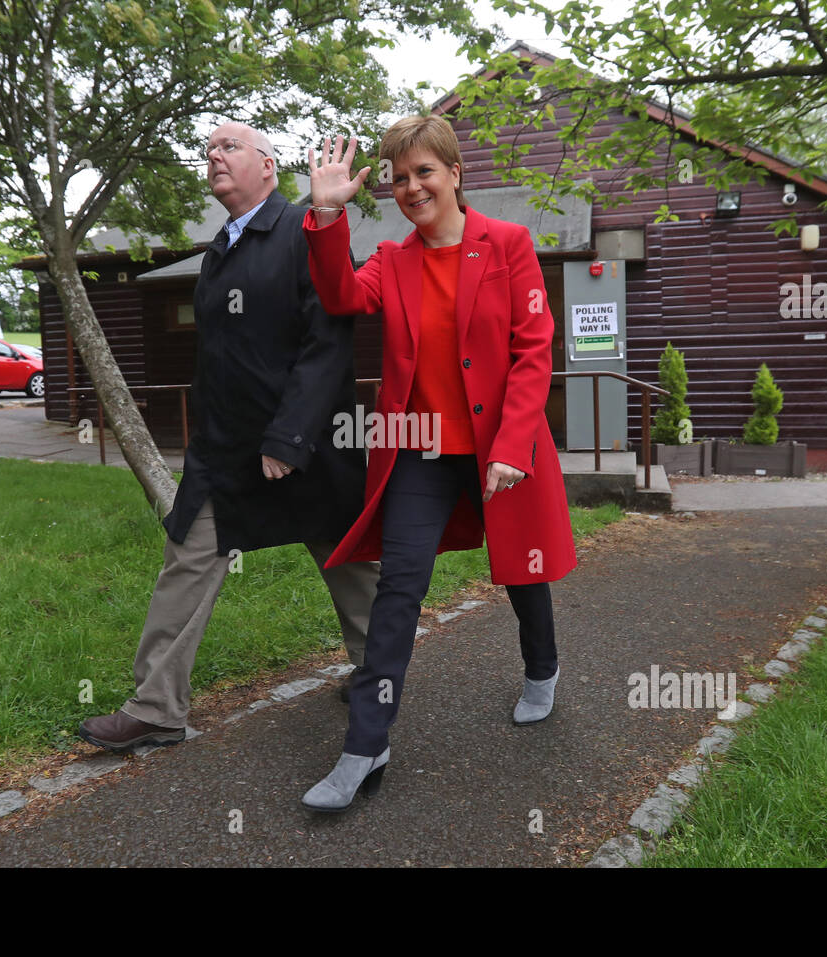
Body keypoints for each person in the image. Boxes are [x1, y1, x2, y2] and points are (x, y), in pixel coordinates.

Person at [298, 117, 578, 812]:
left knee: (521, 569)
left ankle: (541, 667)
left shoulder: (509, 244)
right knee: (399, 590)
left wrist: (514, 448)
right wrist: (327, 212)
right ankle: (367, 743)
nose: (411, 186)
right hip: (419, 447)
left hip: (500, 447)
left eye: (423, 171)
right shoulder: (392, 262)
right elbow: (339, 296)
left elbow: (532, 349)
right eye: (398, 178)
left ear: (454, 173)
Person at [79, 122, 380, 751]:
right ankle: (157, 705)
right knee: (188, 556)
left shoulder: (306, 231)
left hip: (306, 447)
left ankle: (378, 671)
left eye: (229, 146)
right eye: (208, 149)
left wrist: (290, 437)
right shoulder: (220, 248)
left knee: (345, 560)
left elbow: (328, 345)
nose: (213, 156)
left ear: (268, 166)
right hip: (223, 451)